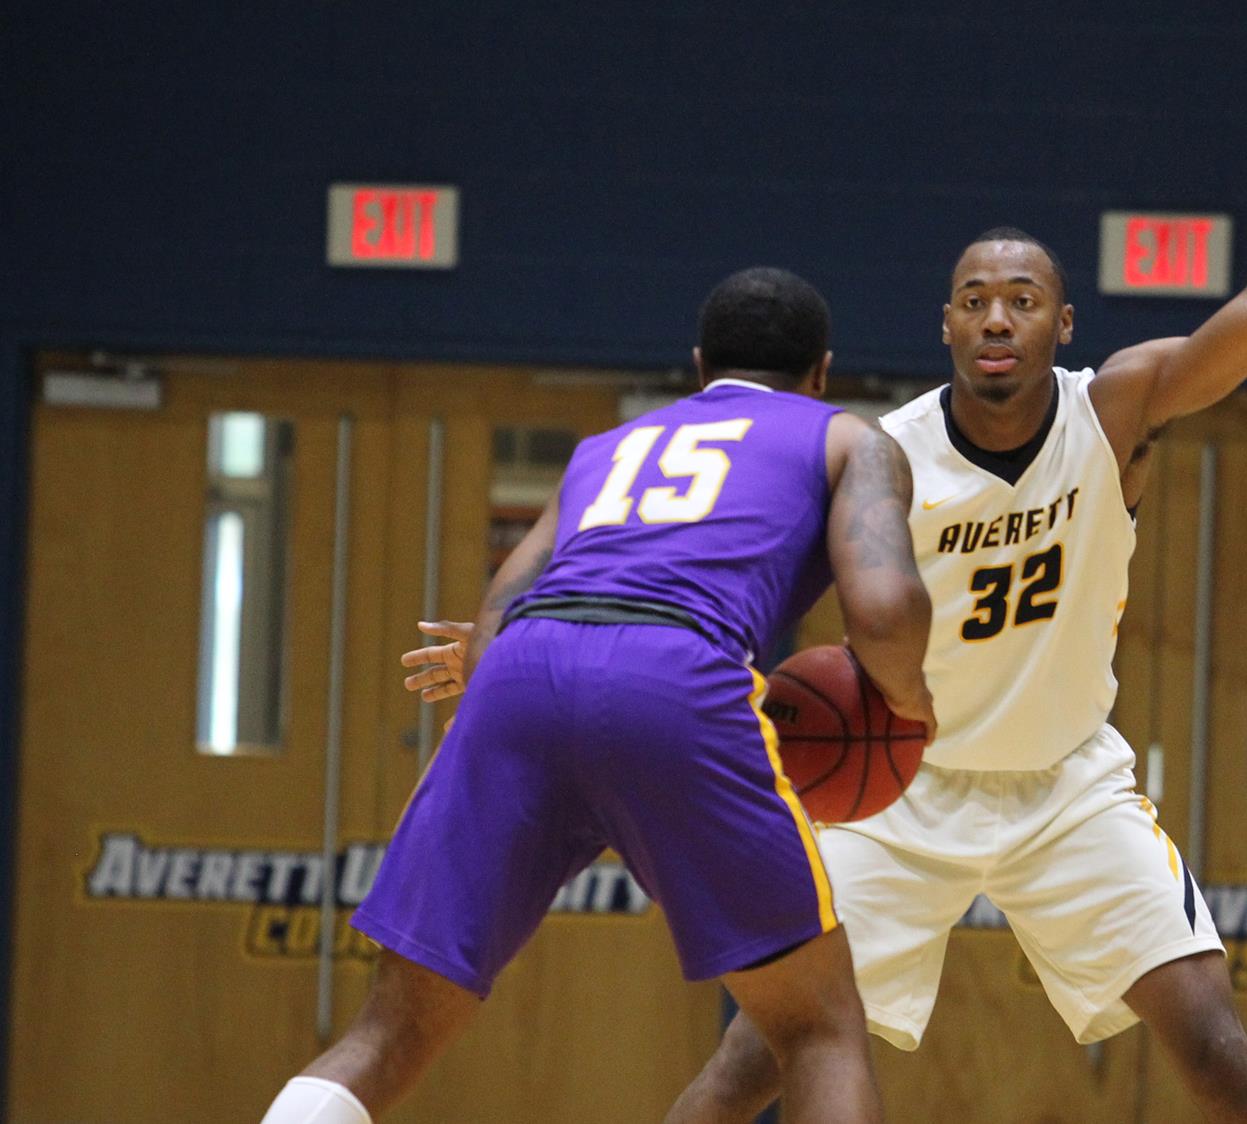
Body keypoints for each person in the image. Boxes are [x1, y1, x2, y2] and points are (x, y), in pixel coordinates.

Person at [406, 29, 1247, 1123]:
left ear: (1062, 322)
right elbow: (712, 573)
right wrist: (528, 636)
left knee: (1216, 1048)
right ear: (946, 324)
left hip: (1066, 781)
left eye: (1021, 297)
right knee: (750, 1065)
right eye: (973, 298)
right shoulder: (881, 456)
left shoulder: (1114, 411)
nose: (996, 315)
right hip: (895, 787)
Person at [260, 268, 935, 1124]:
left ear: (700, 365)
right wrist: (909, 703)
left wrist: (527, 673)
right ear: (821, 372)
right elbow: (883, 610)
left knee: (388, 1030)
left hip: (521, 673)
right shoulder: (847, 437)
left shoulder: (606, 448)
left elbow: (494, 626)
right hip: (677, 673)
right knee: (818, 1029)